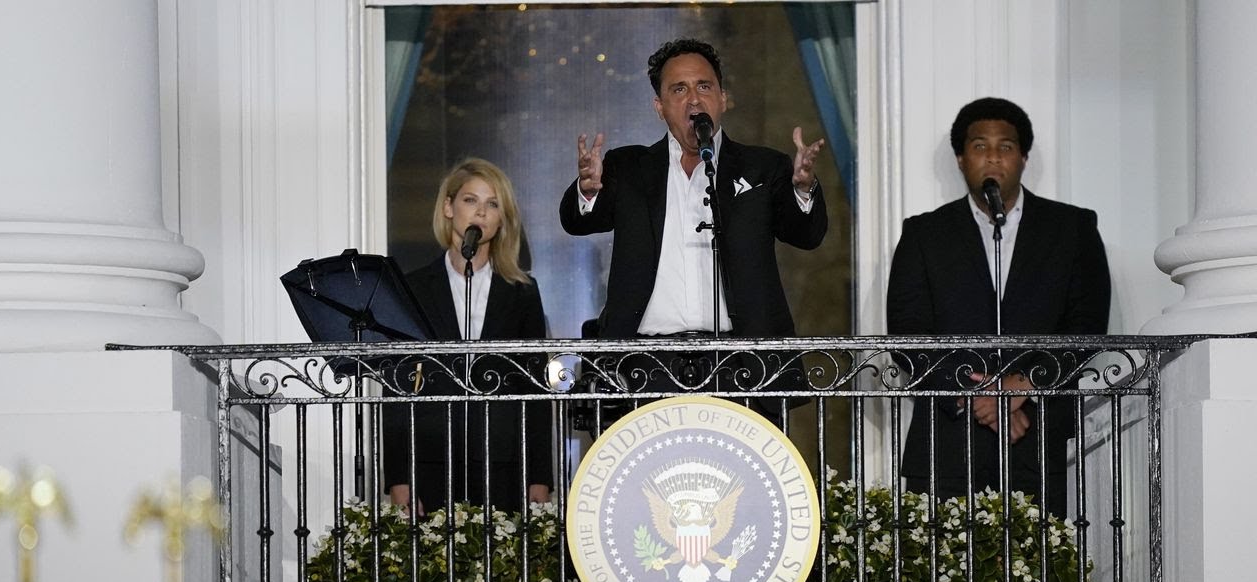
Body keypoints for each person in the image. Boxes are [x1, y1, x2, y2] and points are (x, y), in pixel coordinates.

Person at [558, 37, 828, 414]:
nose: (694, 99)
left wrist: (802, 188)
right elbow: (576, 223)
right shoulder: (628, 168)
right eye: (679, 89)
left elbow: (807, 234)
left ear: (723, 98)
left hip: (741, 367)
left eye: (704, 86)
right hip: (645, 368)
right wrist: (587, 191)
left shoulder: (763, 168)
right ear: (660, 106)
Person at [886, 97, 1112, 515]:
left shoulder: (1073, 229)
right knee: (941, 575)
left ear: (1024, 157)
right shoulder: (924, 234)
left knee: (1040, 573)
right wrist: (981, 396)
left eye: (1005, 147)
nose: (993, 157)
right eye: (979, 146)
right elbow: (907, 335)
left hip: (1037, 438)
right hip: (946, 443)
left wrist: (1021, 386)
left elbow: (1087, 326)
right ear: (960, 158)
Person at [382, 158, 552, 515]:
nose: (481, 212)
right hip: (431, 459)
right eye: (470, 200)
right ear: (448, 206)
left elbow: (536, 389)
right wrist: (399, 479)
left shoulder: (522, 292)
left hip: (503, 462)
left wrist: (540, 476)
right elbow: (395, 391)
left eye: (493, 204)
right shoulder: (413, 289)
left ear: (502, 218)